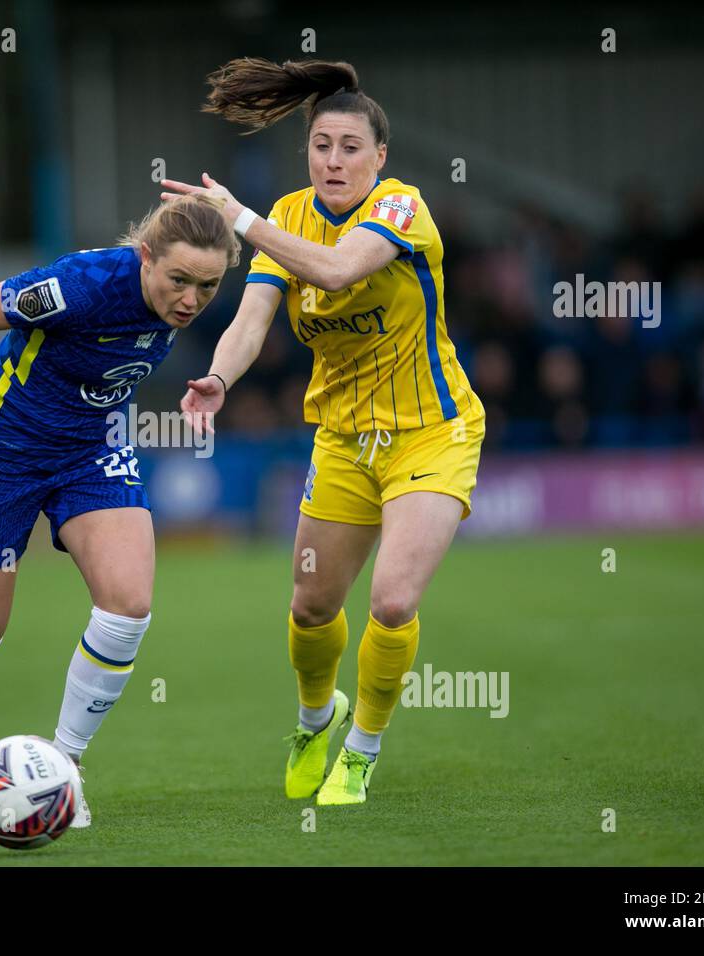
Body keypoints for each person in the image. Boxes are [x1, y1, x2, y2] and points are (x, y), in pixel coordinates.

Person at [164, 58, 485, 806]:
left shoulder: (403, 210)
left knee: (394, 600)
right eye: (321, 146)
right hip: (342, 438)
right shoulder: (290, 215)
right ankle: (316, 720)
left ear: (380, 158)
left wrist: (244, 221)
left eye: (349, 148)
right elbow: (252, 317)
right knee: (311, 606)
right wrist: (219, 376)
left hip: (431, 432)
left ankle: (363, 751)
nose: (333, 161)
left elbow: (340, 273)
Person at [0, 195, 238, 828]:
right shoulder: (77, 286)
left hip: (93, 450)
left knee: (129, 603)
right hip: (2, 450)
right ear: (145, 258)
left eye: (208, 284)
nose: (192, 300)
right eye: (179, 280)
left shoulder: (181, 294)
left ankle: (63, 768)